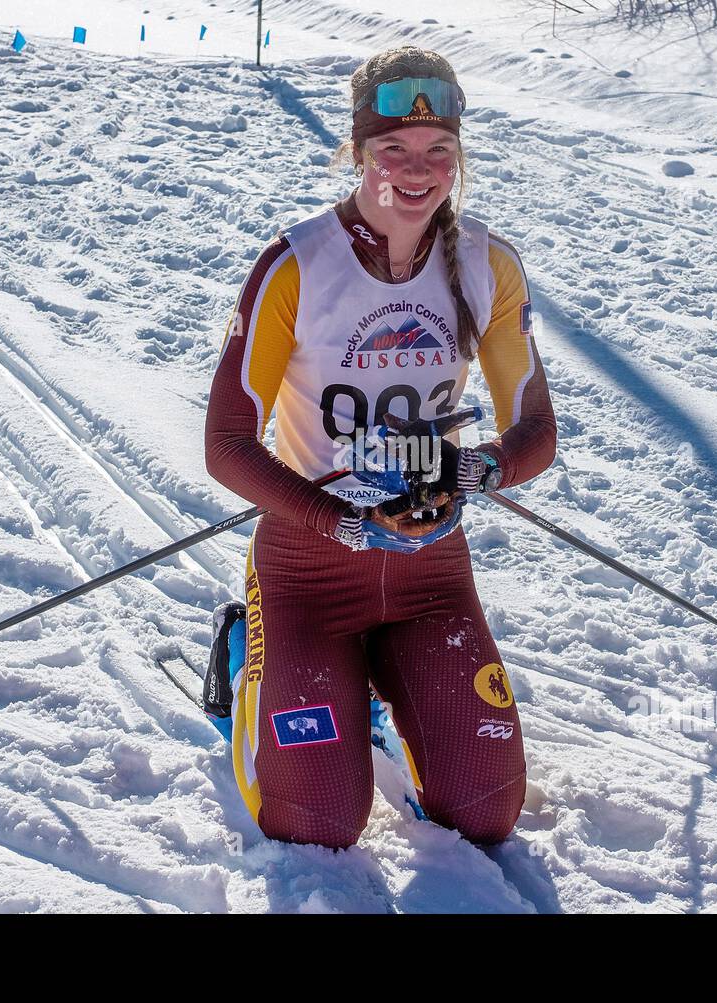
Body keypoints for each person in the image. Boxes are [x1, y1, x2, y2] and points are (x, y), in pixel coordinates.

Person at [203, 45, 556, 849]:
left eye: (439, 151)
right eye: (391, 148)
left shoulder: (487, 265)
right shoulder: (296, 265)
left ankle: (376, 684)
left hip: (431, 573)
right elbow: (226, 444)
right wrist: (341, 521)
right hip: (308, 569)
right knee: (314, 819)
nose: (416, 169)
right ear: (358, 150)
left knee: (486, 810)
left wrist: (473, 468)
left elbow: (536, 429)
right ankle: (244, 646)